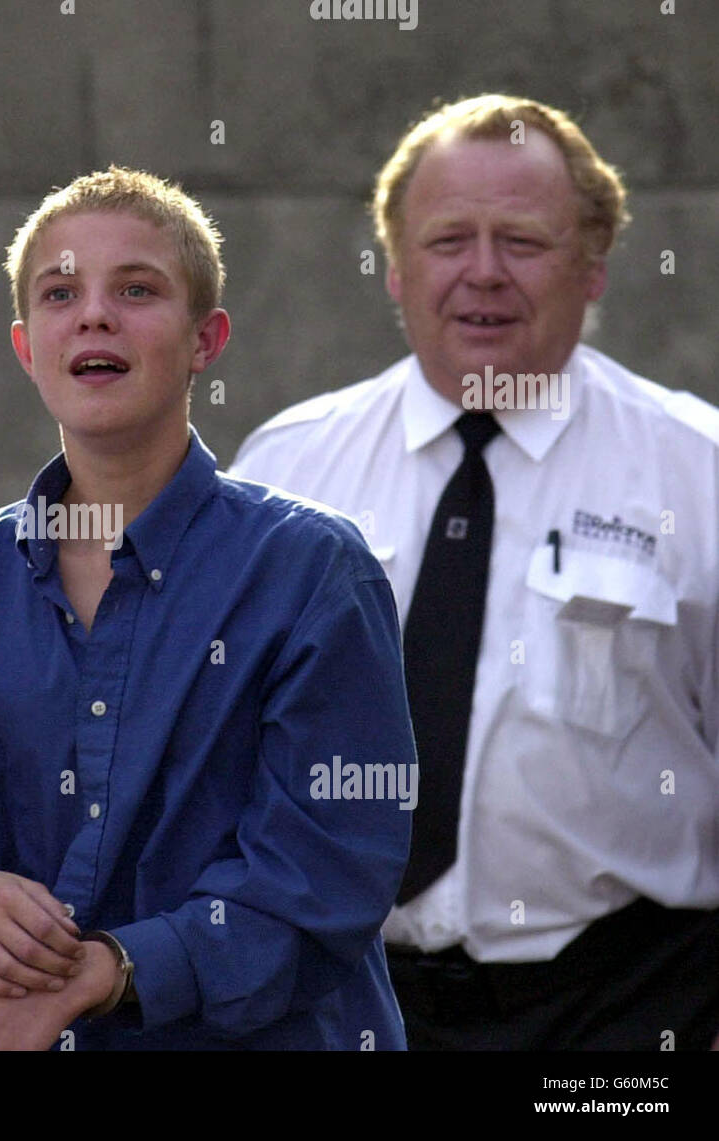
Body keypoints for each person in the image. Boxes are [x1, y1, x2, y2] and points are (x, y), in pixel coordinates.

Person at [0, 166, 415, 1050]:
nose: (93, 314)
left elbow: (325, 877)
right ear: (26, 345)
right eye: (60, 292)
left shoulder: (311, 570)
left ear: (207, 340)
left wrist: (113, 968)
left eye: (137, 289)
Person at [232, 94, 719, 1050]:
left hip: (629, 1006)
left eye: (524, 242)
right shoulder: (286, 471)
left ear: (594, 269)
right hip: (342, 1001)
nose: (483, 273)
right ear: (395, 268)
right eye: (450, 239)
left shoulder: (697, 471)